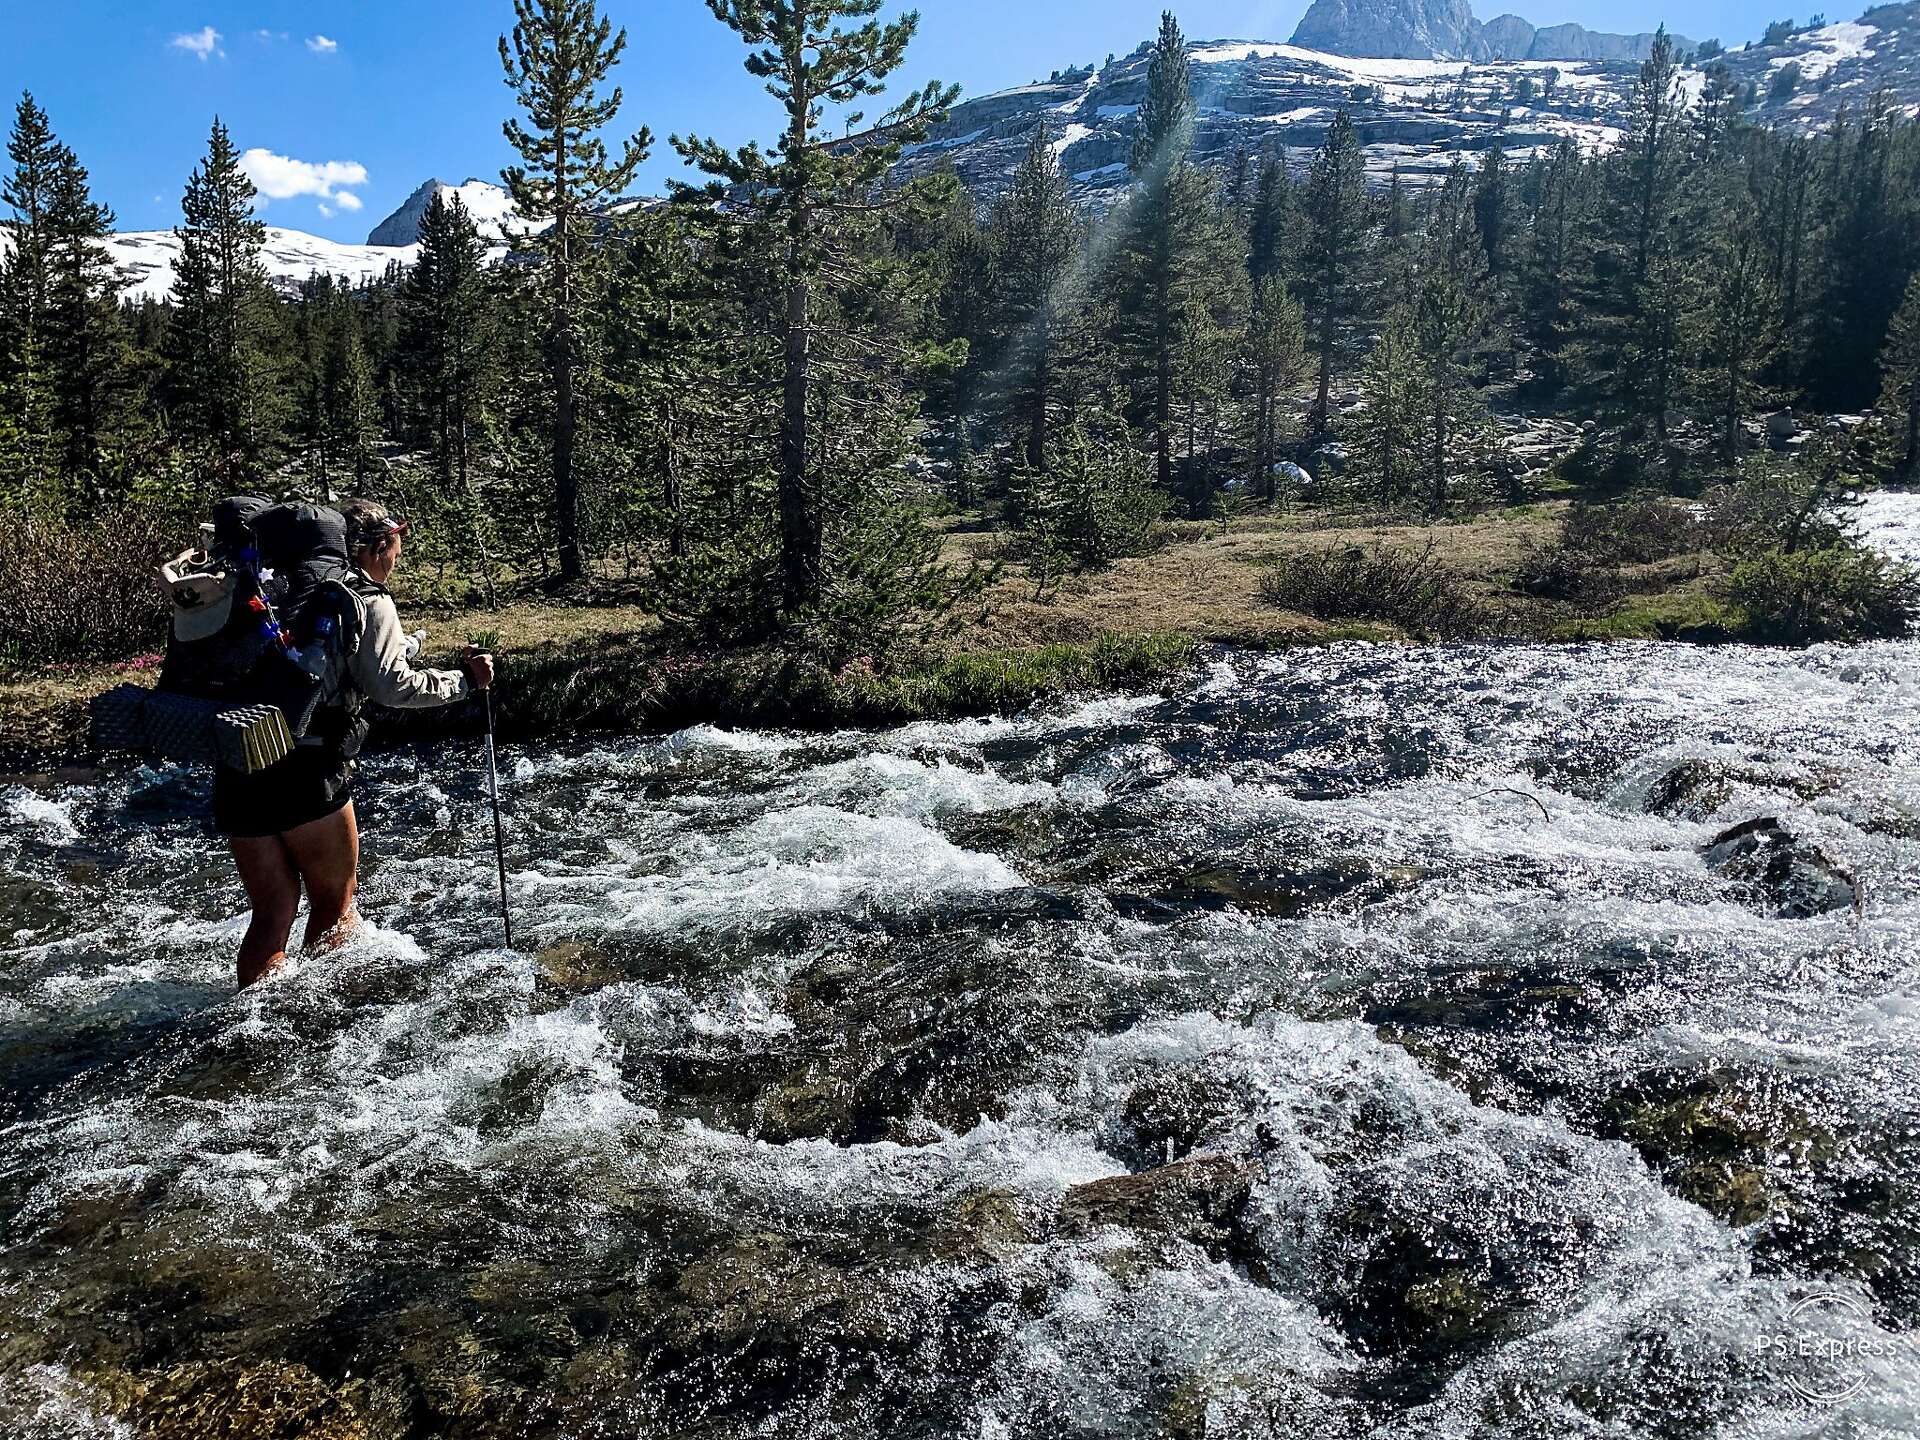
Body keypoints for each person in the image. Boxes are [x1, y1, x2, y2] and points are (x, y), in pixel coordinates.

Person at [215, 499, 494, 988]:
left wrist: (406, 646)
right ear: (379, 545)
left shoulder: (261, 591)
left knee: (272, 910)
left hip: (239, 758)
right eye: (395, 551)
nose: (394, 563)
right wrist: (465, 681)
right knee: (334, 901)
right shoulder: (365, 597)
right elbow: (393, 687)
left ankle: (250, 1025)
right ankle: (319, 1024)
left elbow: (336, 661)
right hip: (309, 768)